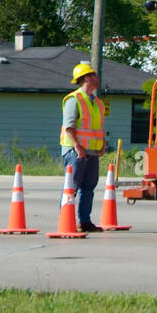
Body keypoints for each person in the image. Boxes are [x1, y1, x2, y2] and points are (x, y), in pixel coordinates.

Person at [60, 61, 107, 232]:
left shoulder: (97, 102)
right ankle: (66, 220)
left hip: (92, 151)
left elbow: (99, 127)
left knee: (89, 187)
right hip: (76, 151)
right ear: (87, 78)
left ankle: (84, 221)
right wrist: (77, 147)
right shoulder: (74, 99)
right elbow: (69, 127)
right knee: (72, 187)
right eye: (94, 75)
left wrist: (102, 146)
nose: (97, 77)